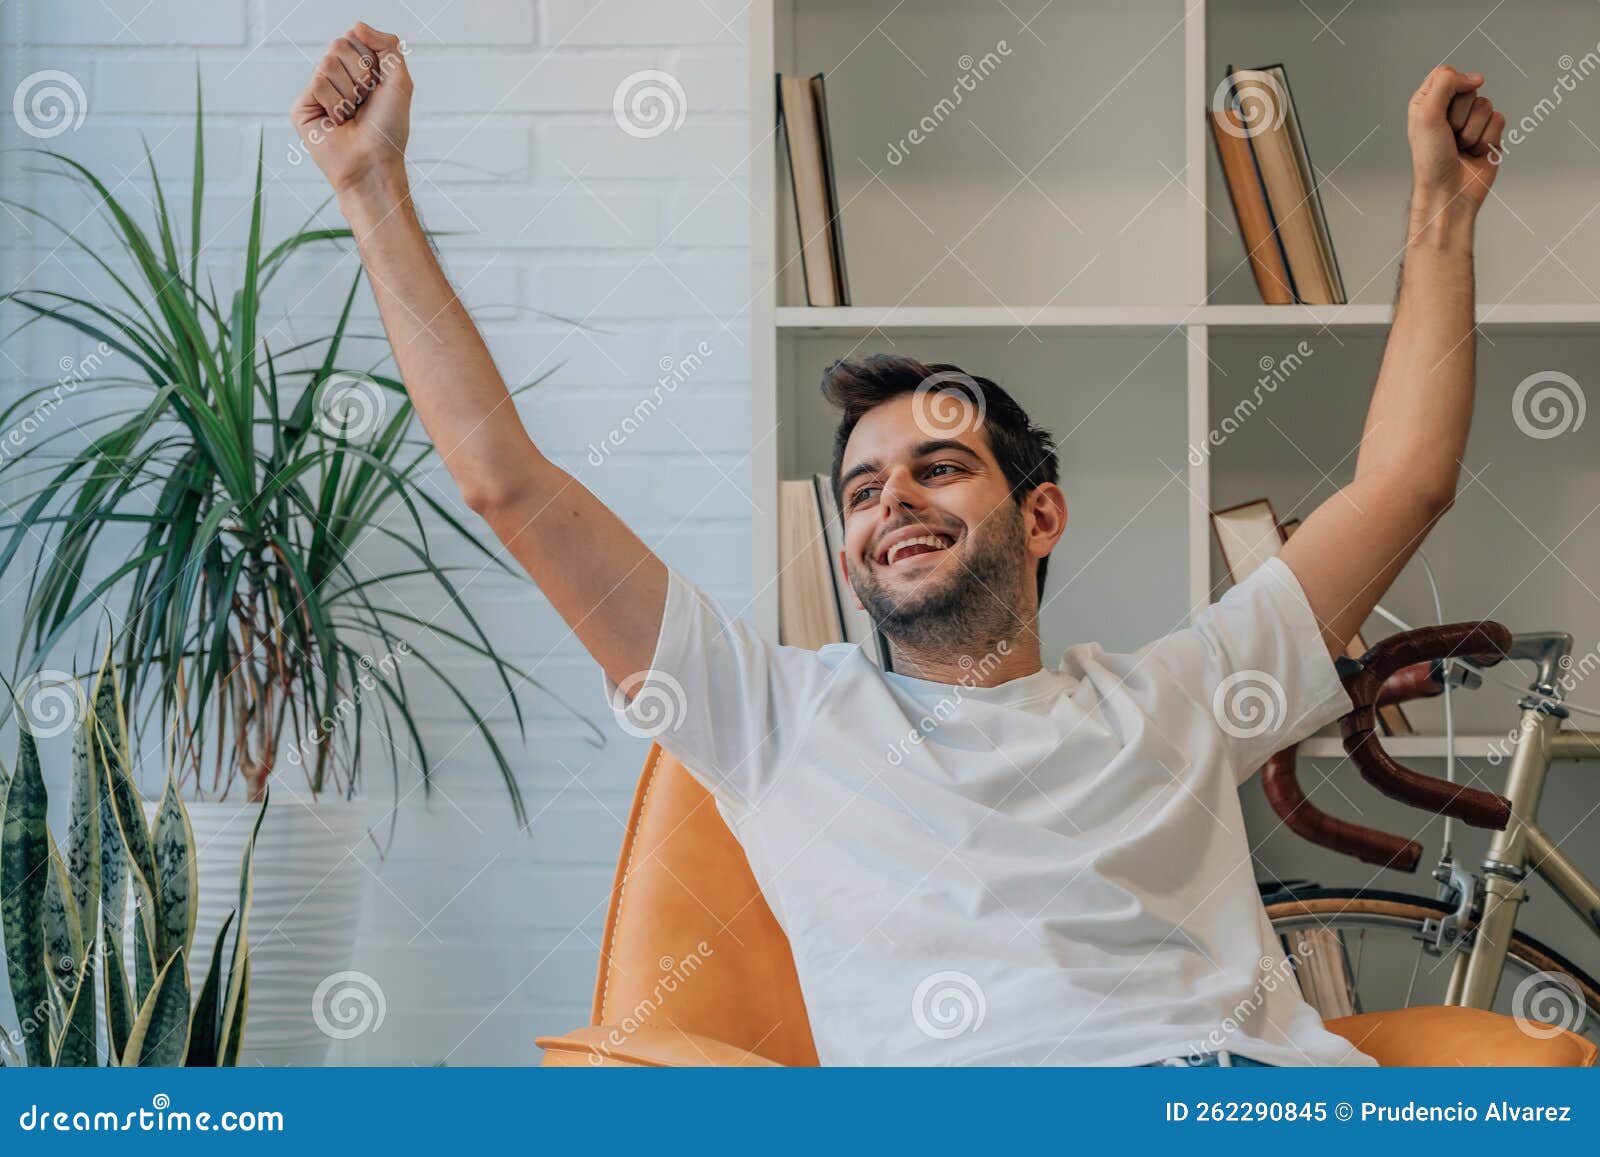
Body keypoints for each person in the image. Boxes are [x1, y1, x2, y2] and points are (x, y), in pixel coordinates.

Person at [292, 27, 1504, 1066]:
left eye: (939, 466)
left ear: (1039, 516)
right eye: (864, 489)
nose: (895, 502)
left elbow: (1407, 484)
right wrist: (372, 191)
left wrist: (1441, 213)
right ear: (845, 556)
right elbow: (506, 485)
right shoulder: (769, 719)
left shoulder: (1178, 695)